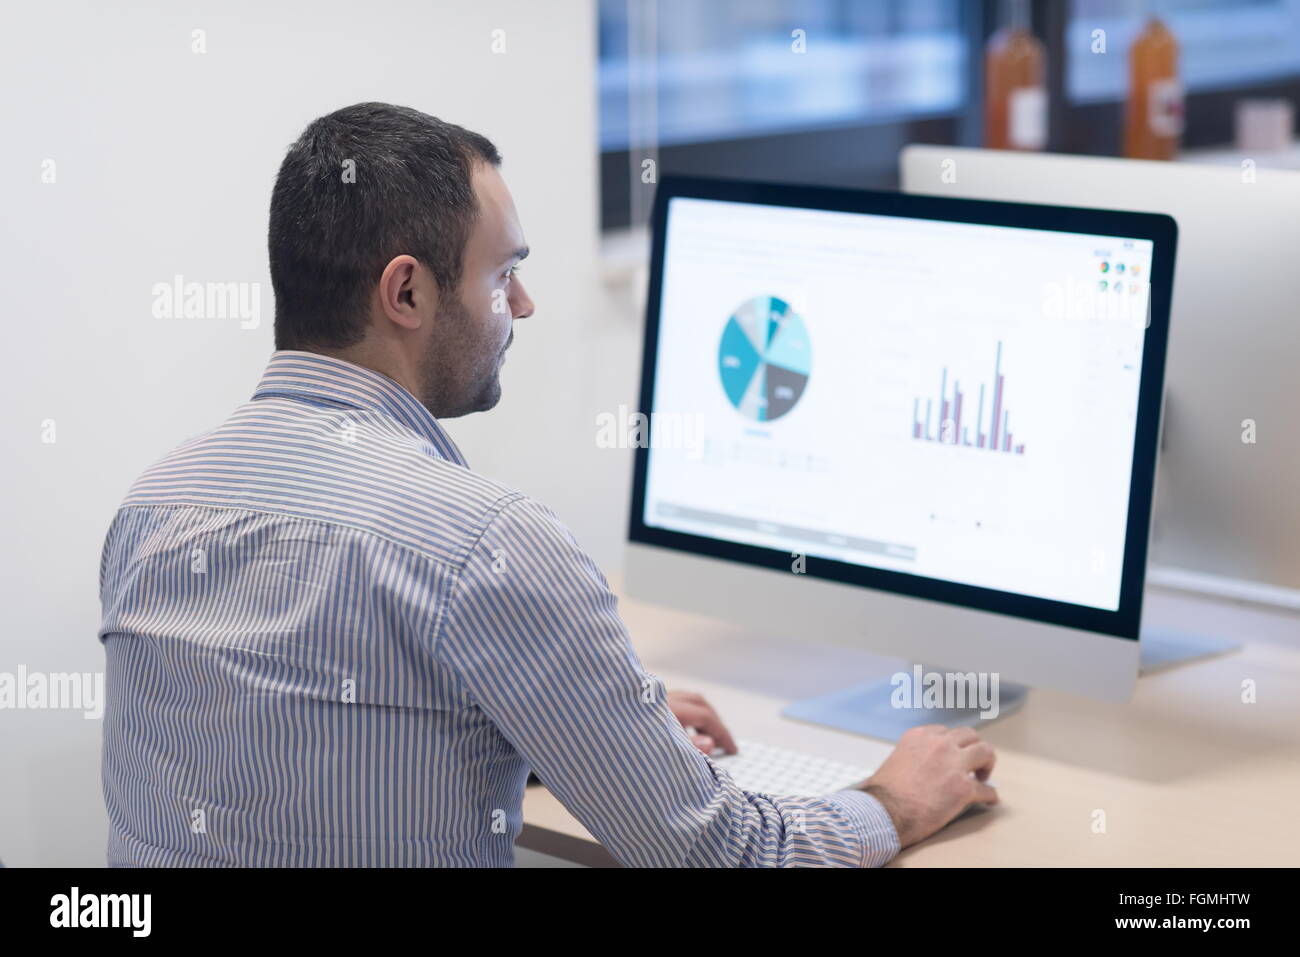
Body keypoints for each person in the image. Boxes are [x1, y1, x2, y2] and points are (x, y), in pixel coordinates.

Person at [98, 102, 998, 867]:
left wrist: (563, 718)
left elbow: (289, 746)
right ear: (406, 294)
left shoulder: (152, 507)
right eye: (505, 274)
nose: (523, 305)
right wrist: (893, 799)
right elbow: (723, 854)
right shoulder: (484, 548)